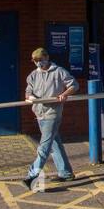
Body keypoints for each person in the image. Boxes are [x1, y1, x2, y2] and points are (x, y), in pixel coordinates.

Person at [22, 47, 78, 189]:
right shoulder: (33, 75)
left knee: (44, 146)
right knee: (54, 143)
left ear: (47, 57)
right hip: (39, 113)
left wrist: (65, 94)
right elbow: (28, 92)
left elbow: (74, 85)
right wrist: (30, 97)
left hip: (52, 113)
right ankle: (65, 173)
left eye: (40, 60)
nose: (38, 63)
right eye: (35, 61)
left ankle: (31, 176)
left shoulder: (58, 72)